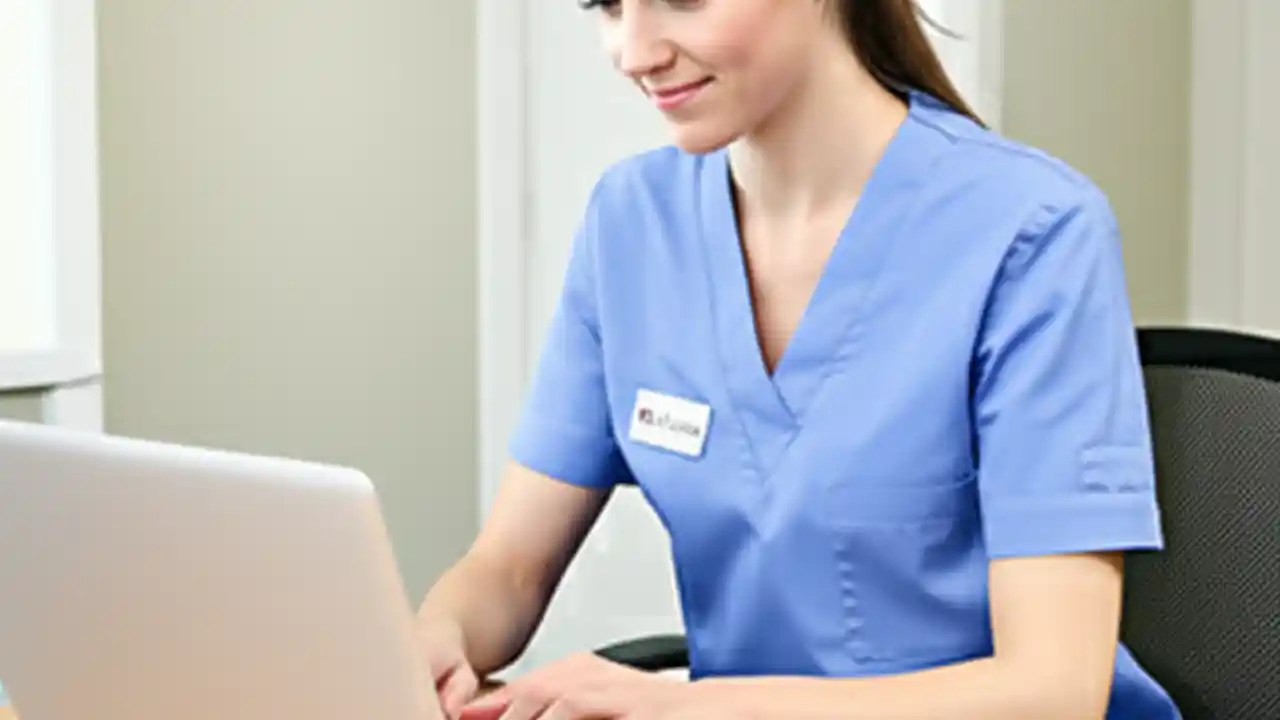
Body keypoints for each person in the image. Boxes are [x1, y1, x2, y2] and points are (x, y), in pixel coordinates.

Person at [417, 1, 1180, 718]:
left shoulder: (1033, 232)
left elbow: (1052, 692)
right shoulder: (630, 224)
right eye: (608, 5)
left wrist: (684, 707)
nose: (634, 51)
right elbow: (509, 569)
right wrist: (436, 638)